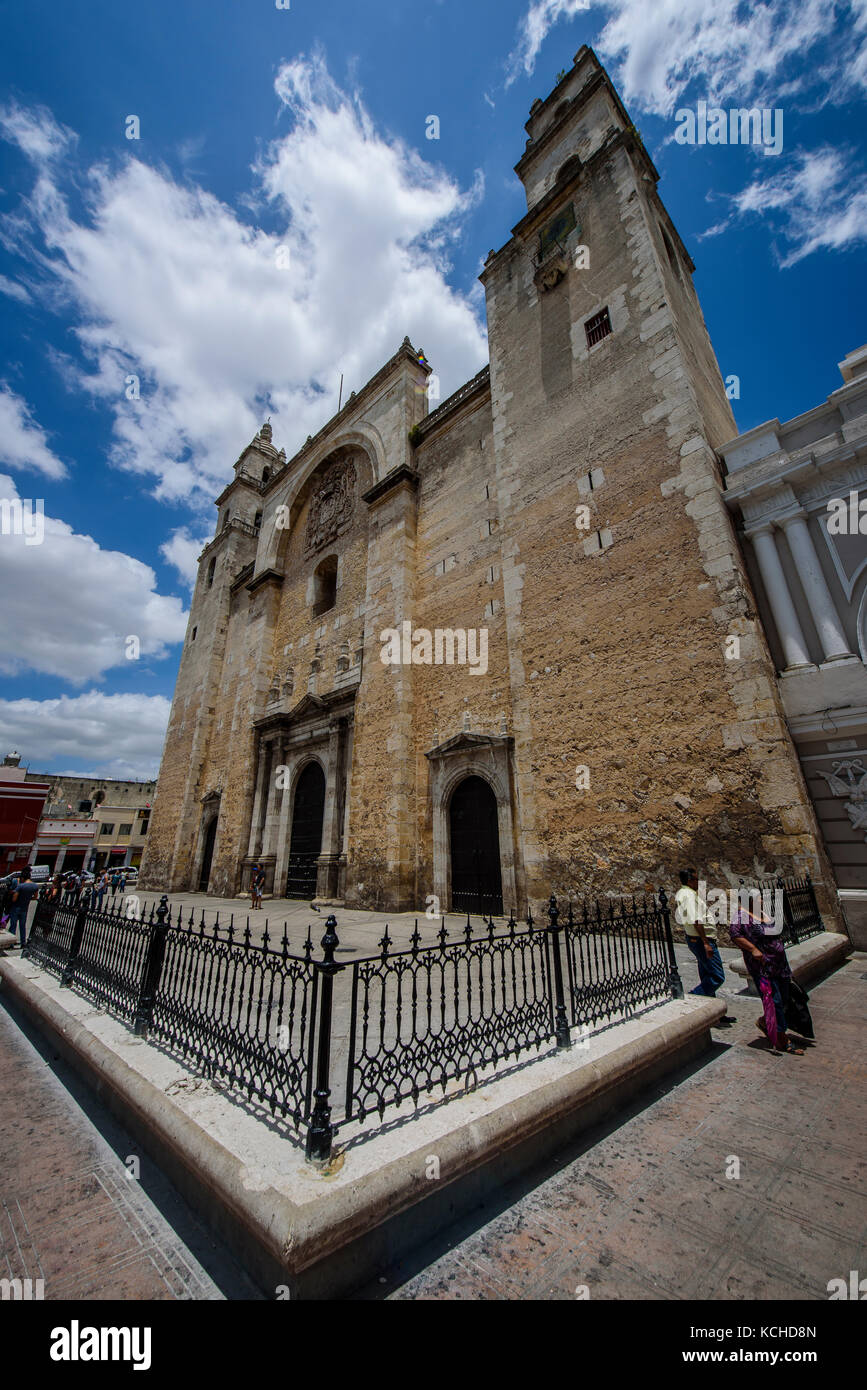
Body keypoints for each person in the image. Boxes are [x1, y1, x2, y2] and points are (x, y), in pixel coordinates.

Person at [729, 899, 805, 1055]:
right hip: (762, 966)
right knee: (774, 1000)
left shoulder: (763, 914)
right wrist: (753, 949)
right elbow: (735, 935)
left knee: (784, 998)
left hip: (779, 965)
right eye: (758, 898)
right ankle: (782, 1038)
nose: (762, 900)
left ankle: (766, 1022)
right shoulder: (741, 917)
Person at [674, 868, 726, 998]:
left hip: (697, 939)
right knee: (717, 976)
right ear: (690, 880)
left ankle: (711, 1009)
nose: (699, 882)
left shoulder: (687, 893)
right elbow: (696, 920)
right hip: (700, 940)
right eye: (697, 879)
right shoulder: (688, 895)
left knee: (707, 975)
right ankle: (693, 998)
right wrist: (706, 943)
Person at [7, 869, 41, 949]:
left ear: (23, 877)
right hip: (24, 908)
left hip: (16, 908)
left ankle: (11, 944)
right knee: (22, 926)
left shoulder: (20, 886)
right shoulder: (35, 886)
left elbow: (14, 899)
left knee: (13, 926)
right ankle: (23, 942)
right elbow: (35, 897)